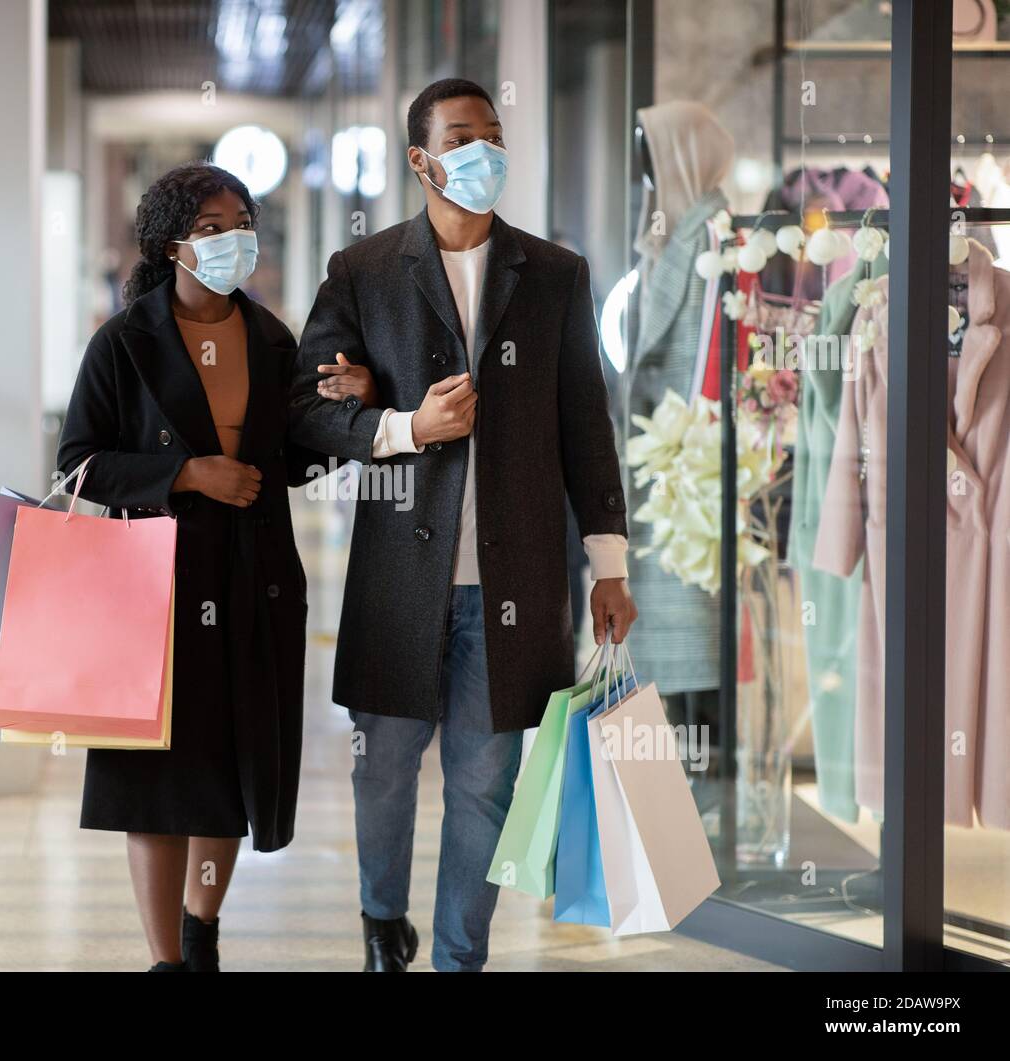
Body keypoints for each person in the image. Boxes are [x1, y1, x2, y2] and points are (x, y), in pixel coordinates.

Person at [290, 78, 638, 972]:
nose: (483, 150)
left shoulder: (554, 274)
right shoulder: (363, 272)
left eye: (492, 133)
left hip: (516, 584)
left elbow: (585, 425)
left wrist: (609, 563)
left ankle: (458, 958)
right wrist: (406, 426)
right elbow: (309, 416)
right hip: (396, 581)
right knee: (384, 769)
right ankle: (380, 921)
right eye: (461, 136)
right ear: (421, 159)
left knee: (485, 785)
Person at [57, 161, 319, 972]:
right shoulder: (124, 343)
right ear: (172, 244)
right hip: (155, 588)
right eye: (212, 227)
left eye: (241, 222)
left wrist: (348, 405)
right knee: (158, 781)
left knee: (231, 773)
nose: (233, 238)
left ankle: (201, 933)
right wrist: (186, 473)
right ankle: (167, 959)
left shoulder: (275, 340)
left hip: (255, 577)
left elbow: (296, 461)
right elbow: (77, 465)